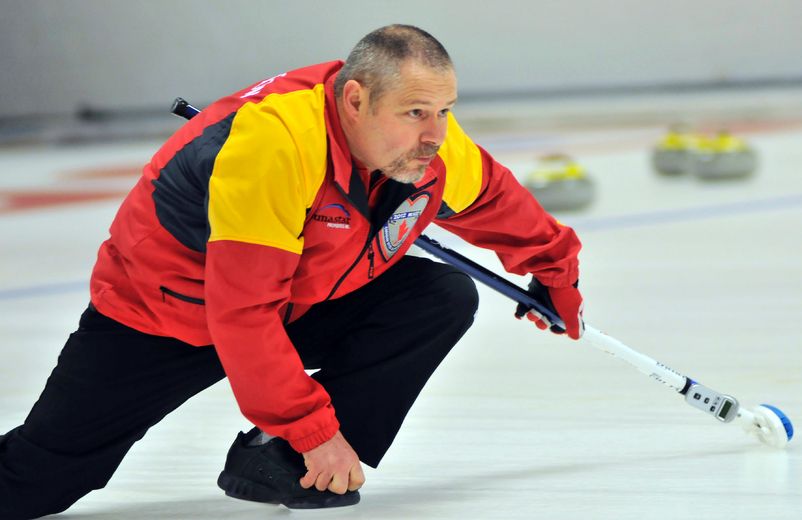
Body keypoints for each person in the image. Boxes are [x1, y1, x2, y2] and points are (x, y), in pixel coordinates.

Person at [0, 24, 583, 519]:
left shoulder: (424, 142)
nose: (435, 133)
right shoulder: (274, 145)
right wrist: (316, 432)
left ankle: (273, 460)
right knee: (37, 482)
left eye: (444, 111)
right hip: (165, 316)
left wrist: (556, 270)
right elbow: (243, 313)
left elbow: (495, 199)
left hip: (296, 302)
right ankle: (302, 447)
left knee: (439, 296)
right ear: (354, 100)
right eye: (415, 113)